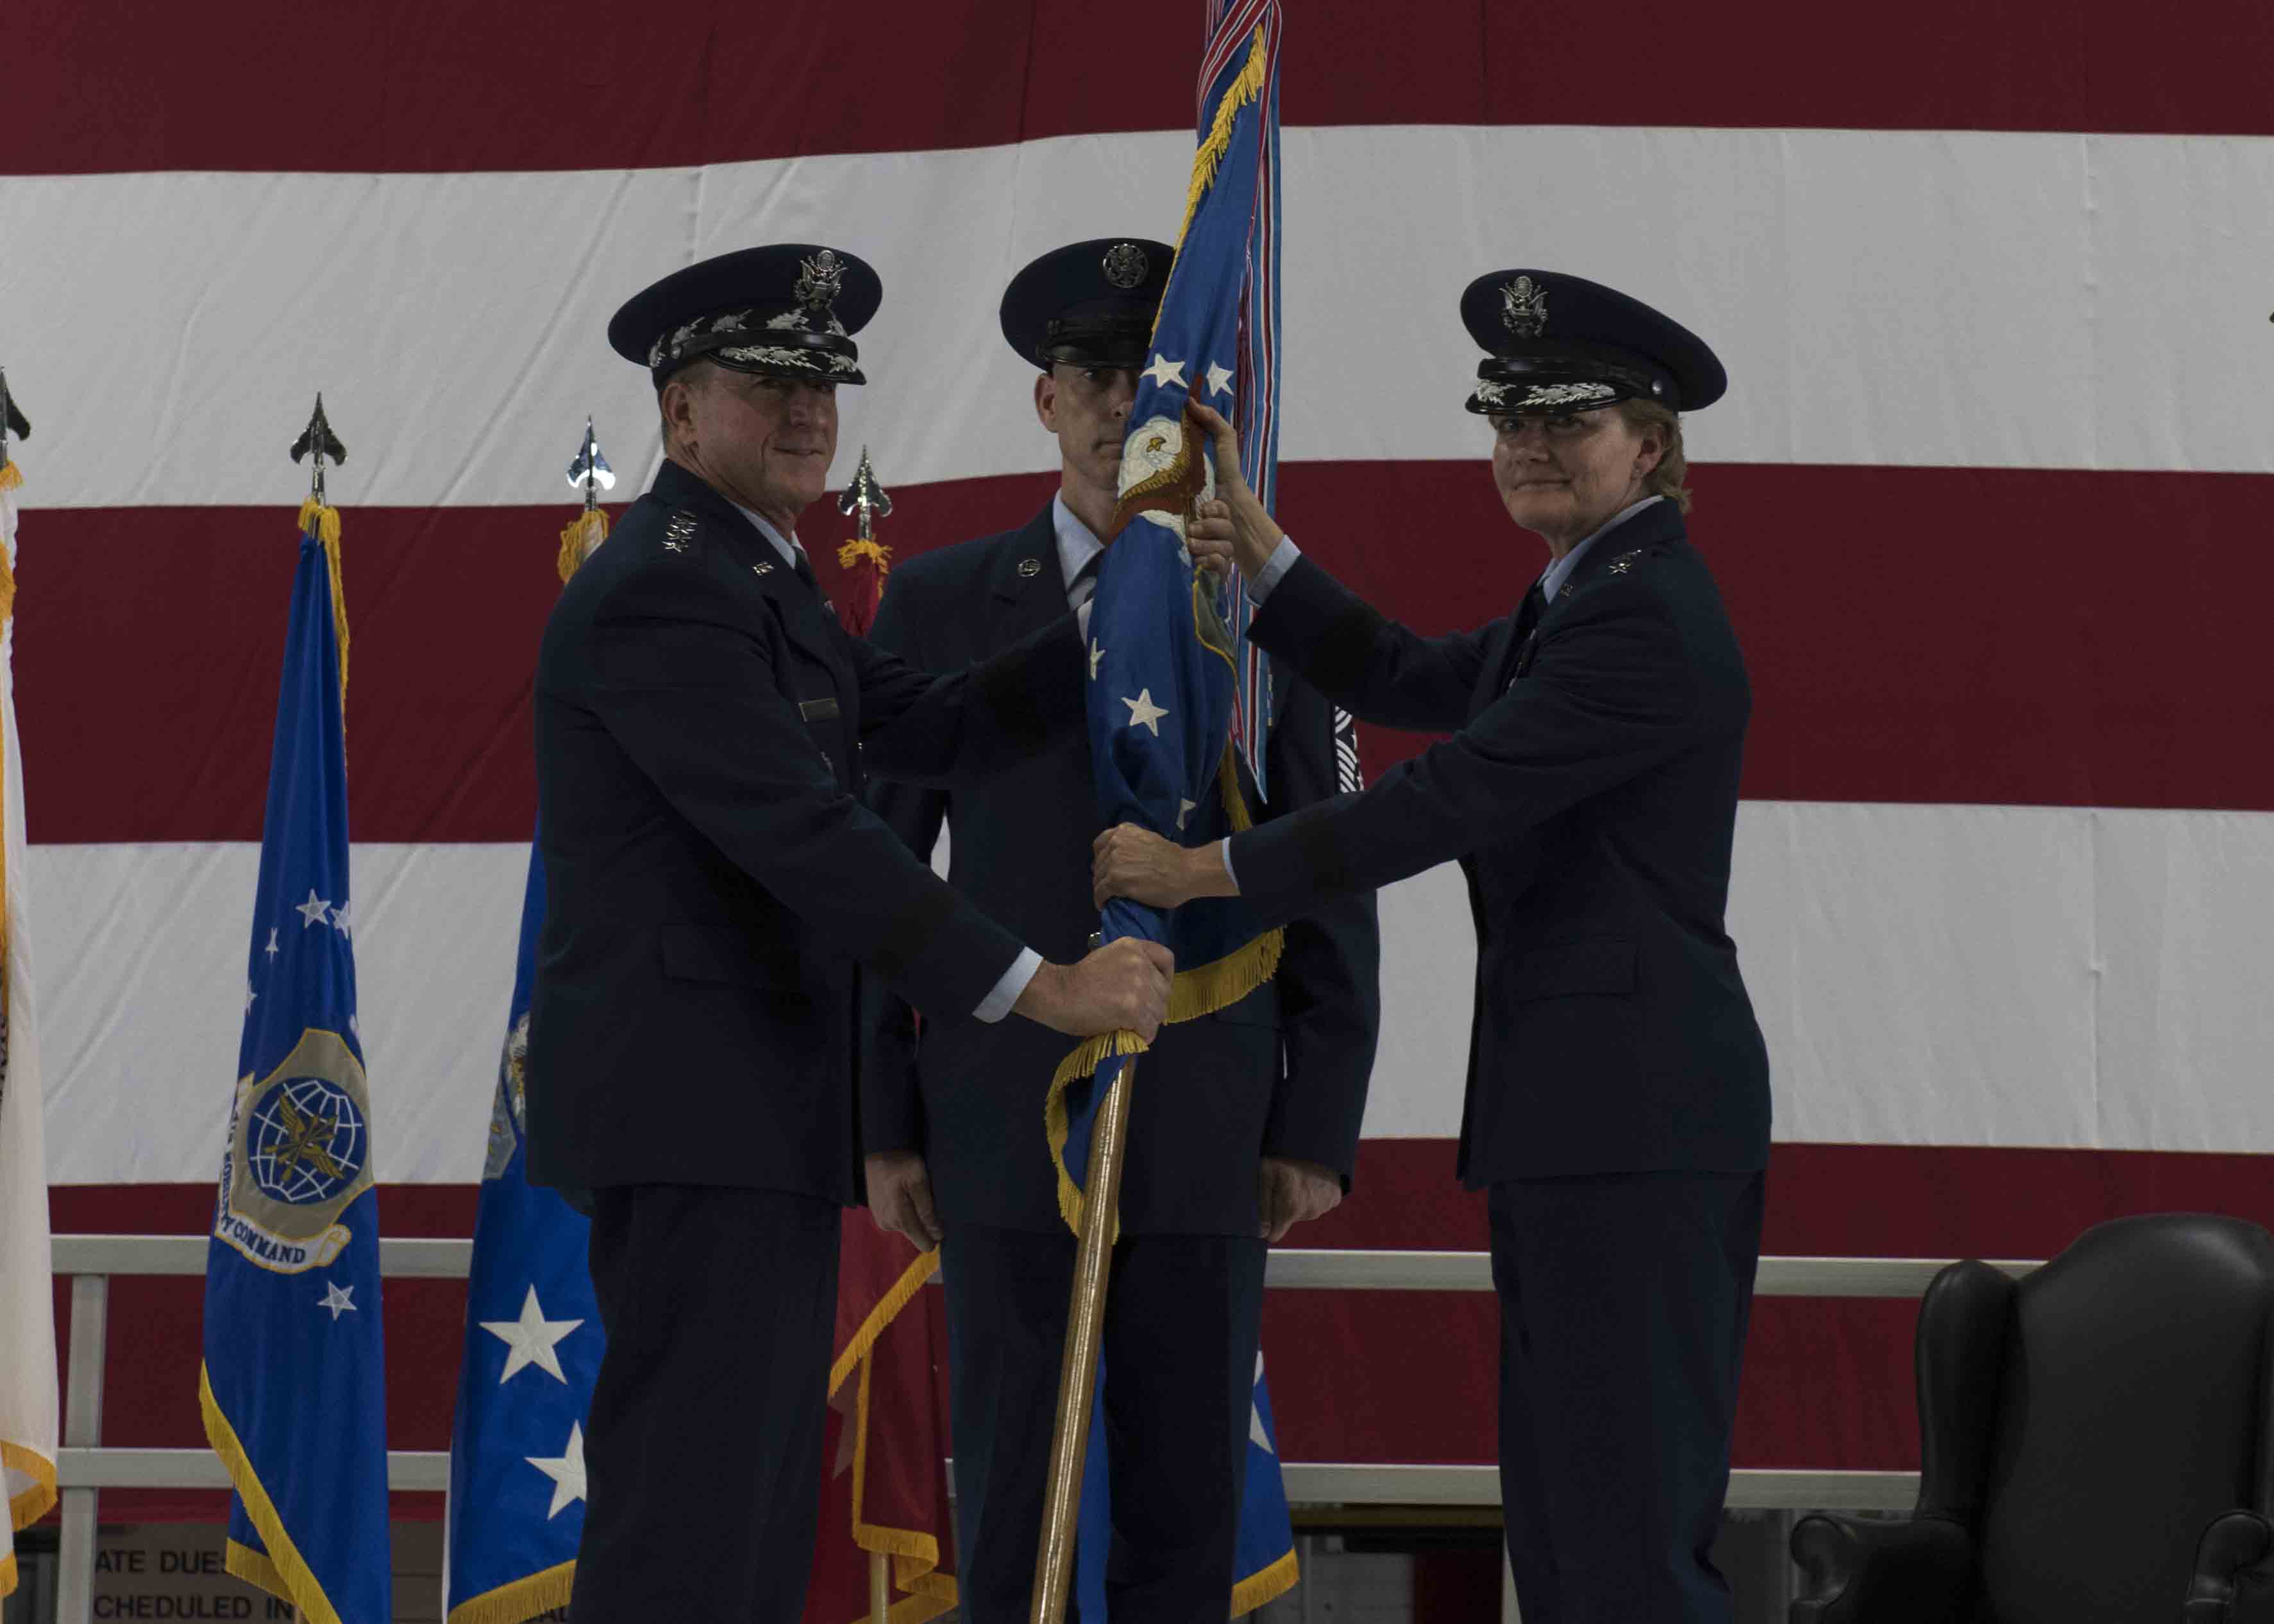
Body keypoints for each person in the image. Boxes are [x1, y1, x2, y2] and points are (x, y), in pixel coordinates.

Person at [1093, 269, 1771, 1623]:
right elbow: (1401, 672)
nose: (1526, 444)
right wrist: (1260, 546)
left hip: (1633, 1121)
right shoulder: (1580, 595)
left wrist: (1207, 866)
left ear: (1651, 444)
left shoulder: (1638, 618)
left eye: (1565, 422)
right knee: (1574, 1524)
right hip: (1587, 1117)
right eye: (1508, 418)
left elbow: (1444, 796)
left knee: (1627, 1535)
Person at [525, 242, 1174, 1623]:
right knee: (685, 1516)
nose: (811, 409)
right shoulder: (666, 586)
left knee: (744, 1511)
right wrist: (1036, 984)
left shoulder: (760, 573)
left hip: (749, 1108)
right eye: (769, 383)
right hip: (694, 1107)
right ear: (679, 411)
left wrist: (1140, 609)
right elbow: (814, 842)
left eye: (824, 381)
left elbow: (929, 720)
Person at [858, 237, 1381, 1623]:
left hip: (1210, 1110)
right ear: (1045, 400)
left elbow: (1334, 863)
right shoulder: (941, 603)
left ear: (1199, 397)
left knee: (1183, 1506)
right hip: (1001, 1106)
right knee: (1015, 1493)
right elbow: (876, 872)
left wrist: (1316, 1118)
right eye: (1091, 374)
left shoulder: (1267, 605)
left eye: (1151, 375)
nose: (1118, 404)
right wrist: (885, 1116)